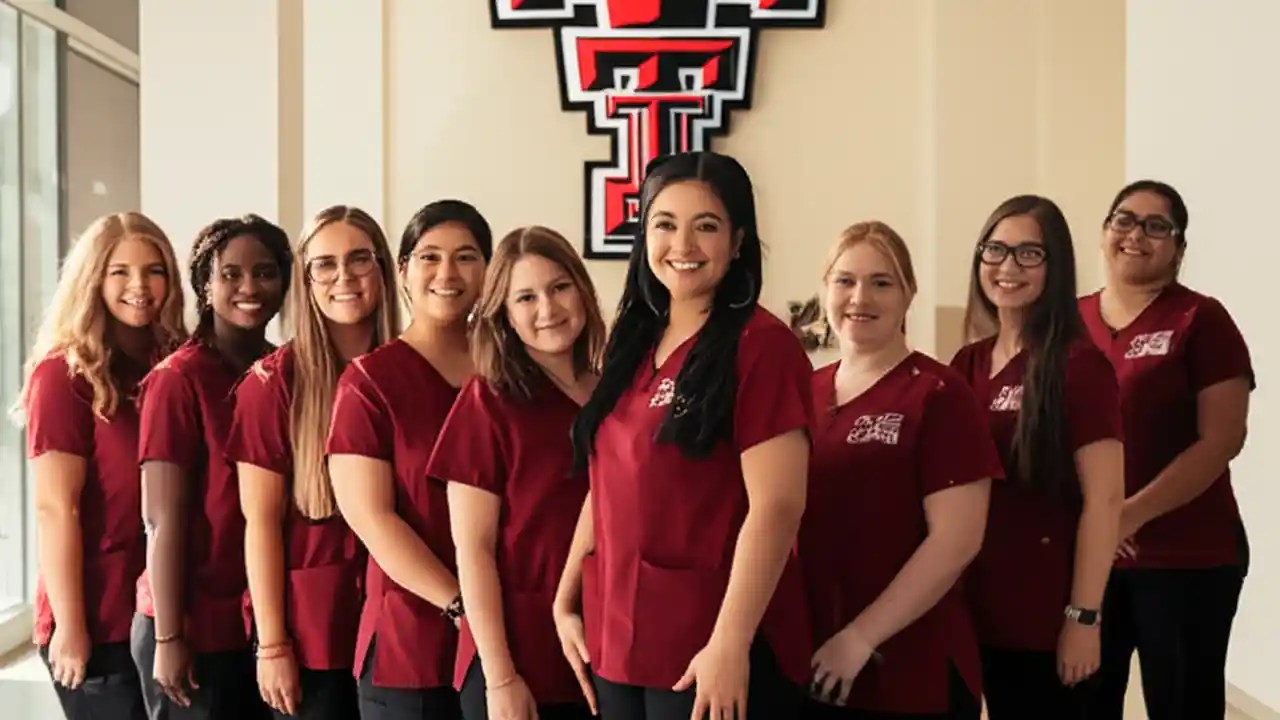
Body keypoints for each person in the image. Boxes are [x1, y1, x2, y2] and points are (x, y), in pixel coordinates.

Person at [557, 150, 813, 720]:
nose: (683, 244)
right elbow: (606, 480)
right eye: (665, 224)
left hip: (708, 641)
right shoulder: (634, 342)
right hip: (616, 633)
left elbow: (778, 506)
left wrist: (731, 641)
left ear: (738, 240)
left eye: (707, 226)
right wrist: (565, 596)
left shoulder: (761, 346)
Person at [801, 222, 998, 720]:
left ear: (909, 293)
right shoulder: (802, 392)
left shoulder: (939, 395)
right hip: (813, 657)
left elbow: (957, 539)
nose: (860, 297)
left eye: (881, 282)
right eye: (845, 281)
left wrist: (860, 638)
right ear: (825, 289)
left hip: (910, 662)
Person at [1079, 181, 1254, 720]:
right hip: (1087, 561)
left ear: (1178, 248)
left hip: (1187, 559)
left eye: (1157, 226)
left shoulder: (1200, 319)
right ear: (1104, 232)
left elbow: (1222, 439)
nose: (1136, 234)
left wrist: (1127, 516)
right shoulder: (1066, 323)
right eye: (1124, 220)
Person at [949, 195, 1125, 719]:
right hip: (974, 608)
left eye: (1029, 253)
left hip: (1045, 619)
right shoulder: (967, 363)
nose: (1008, 266)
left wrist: (1084, 617)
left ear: (1056, 266)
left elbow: (1105, 500)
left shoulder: (1079, 366)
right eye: (996, 250)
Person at [227, 205, 400, 719]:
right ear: (305, 281)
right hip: (314, 638)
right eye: (324, 264)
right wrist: (272, 646)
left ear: (383, 269)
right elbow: (260, 524)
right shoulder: (271, 384)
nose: (343, 276)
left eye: (359, 259)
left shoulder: (409, 371)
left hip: (405, 627)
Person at [429, 225, 605, 720]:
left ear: (582, 291)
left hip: (602, 644)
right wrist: (501, 676)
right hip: (517, 658)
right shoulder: (487, 402)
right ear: (504, 314)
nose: (548, 308)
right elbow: (474, 550)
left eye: (559, 287)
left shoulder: (615, 393)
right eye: (526, 297)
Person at [17, 213, 187, 720]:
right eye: (120, 272)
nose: (140, 286)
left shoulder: (174, 365)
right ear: (93, 279)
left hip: (166, 610)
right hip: (98, 616)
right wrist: (72, 627)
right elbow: (56, 510)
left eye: (154, 271)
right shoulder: (62, 376)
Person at [328, 200, 491, 719]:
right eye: (430, 257)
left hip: (510, 638)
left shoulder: (508, 373)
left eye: (466, 257)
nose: (447, 273)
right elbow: (371, 518)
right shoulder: (369, 382)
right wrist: (464, 606)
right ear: (402, 271)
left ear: (489, 271)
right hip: (413, 645)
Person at [133, 214, 292, 719]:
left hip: (258, 623)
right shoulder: (177, 380)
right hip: (190, 626)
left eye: (265, 272)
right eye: (231, 274)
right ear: (204, 284)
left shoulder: (283, 371)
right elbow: (160, 520)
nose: (250, 287)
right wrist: (169, 637)